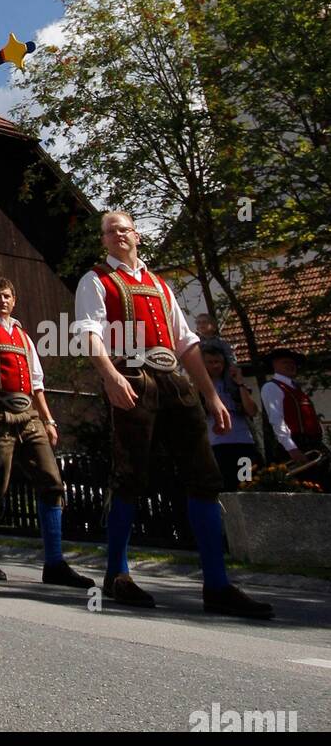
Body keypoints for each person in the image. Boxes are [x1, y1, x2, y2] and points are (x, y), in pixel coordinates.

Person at [74, 211, 272, 618]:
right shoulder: (96, 280)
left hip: (173, 380)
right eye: (107, 232)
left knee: (204, 476)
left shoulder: (161, 285)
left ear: (137, 235)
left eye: (121, 229)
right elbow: (87, 332)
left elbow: (186, 344)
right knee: (129, 475)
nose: (114, 235)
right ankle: (117, 574)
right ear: (104, 241)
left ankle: (217, 584)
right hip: (132, 377)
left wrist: (212, 397)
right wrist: (110, 376)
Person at [0, 277, 93, 589]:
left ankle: (55, 562)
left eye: (7, 296)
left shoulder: (23, 335)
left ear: (15, 300)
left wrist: (48, 421)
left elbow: (37, 382)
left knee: (52, 482)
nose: (3, 301)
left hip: (30, 416)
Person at [200, 346, 260, 491]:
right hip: (218, 446)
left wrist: (239, 383)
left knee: (247, 485)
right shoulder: (200, 387)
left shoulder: (233, 385)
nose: (216, 366)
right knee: (226, 487)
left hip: (243, 444)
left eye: (219, 362)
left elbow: (252, 411)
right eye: (211, 362)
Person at [260, 349, 327, 472]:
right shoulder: (272, 387)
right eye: (286, 362)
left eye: (293, 363)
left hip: (314, 444)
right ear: (274, 364)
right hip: (296, 443)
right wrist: (291, 448)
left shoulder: (296, 388)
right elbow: (276, 419)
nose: (291, 366)